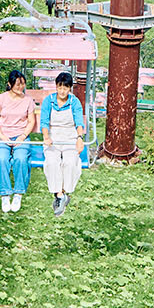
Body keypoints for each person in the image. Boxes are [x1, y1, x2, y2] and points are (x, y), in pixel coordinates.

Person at [38, 72, 88, 215]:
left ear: (70, 88)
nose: (62, 91)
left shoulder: (74, 102)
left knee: (70, 162)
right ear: (56, 87)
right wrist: (46, 137)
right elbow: (44, 121)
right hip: (53, 136)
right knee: (52, 162)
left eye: (65, 88)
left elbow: (79, 122)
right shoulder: (49, 101)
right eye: (60, 88)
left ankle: (65, 191)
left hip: (69, 136)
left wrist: (79, 138)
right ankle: (59, 195)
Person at [0, 69, 37, 213]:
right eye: (17, 84)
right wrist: (2, 136)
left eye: (22, 84)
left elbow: (31, 121)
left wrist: (23, 136)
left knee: (21, 159)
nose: (20, 87)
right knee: (2, 159)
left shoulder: (28, 101)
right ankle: (5, 193)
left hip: (21, 135)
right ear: (10, 84)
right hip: (3, 134)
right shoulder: (0, 100)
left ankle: (18, 193)